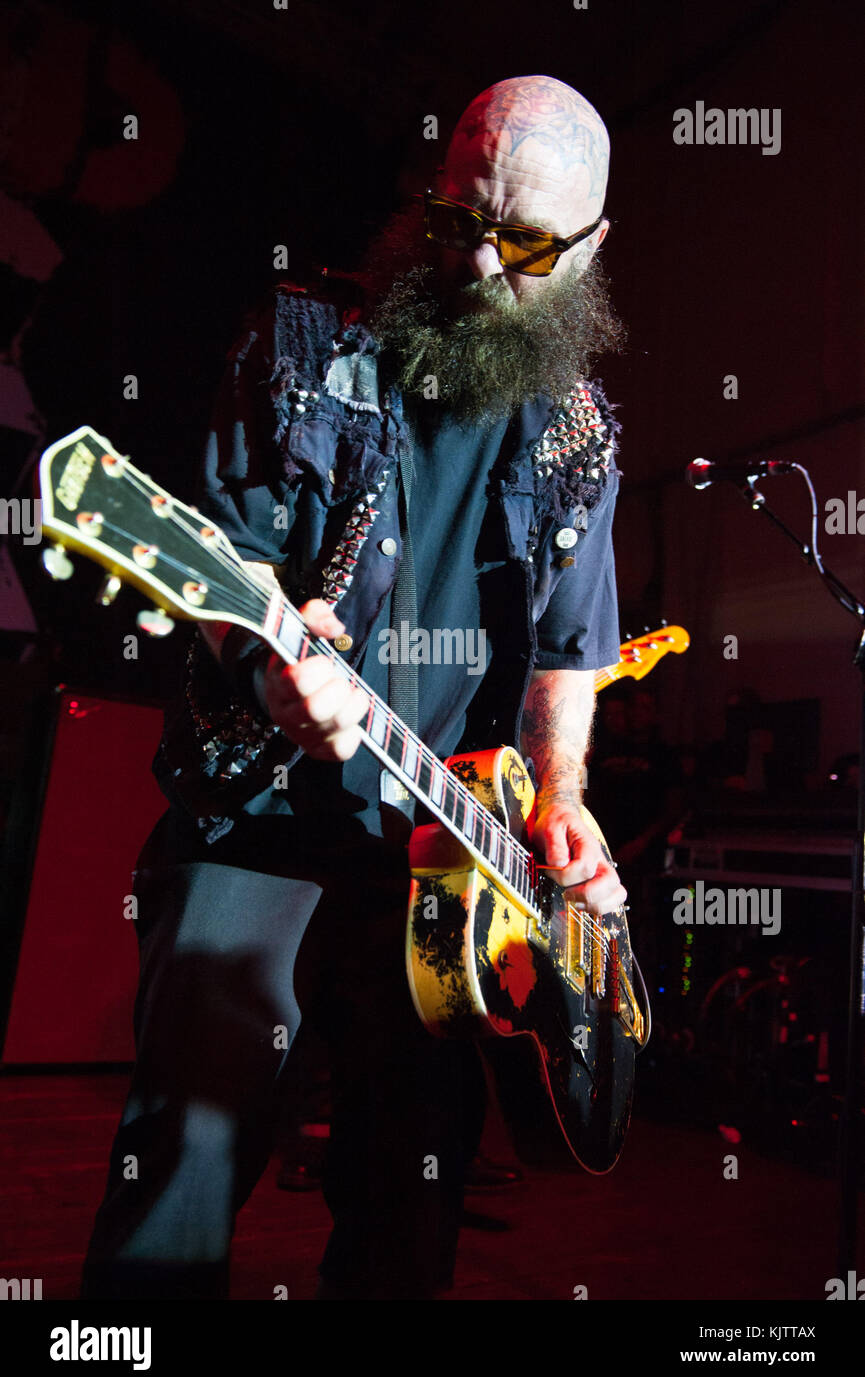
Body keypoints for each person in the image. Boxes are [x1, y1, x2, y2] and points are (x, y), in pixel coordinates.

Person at [81, 74, 628, 1301]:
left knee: (408, 1200)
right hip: (258, 827)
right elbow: (216, 578)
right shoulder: (296, 352)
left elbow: (565, 652)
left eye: (529, 243)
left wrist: (561, 793)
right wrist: (275, 660)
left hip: (443, 855)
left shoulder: (579, 432)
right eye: (458, 222)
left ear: (592, 249)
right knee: (184, 1158)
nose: (483, 265)